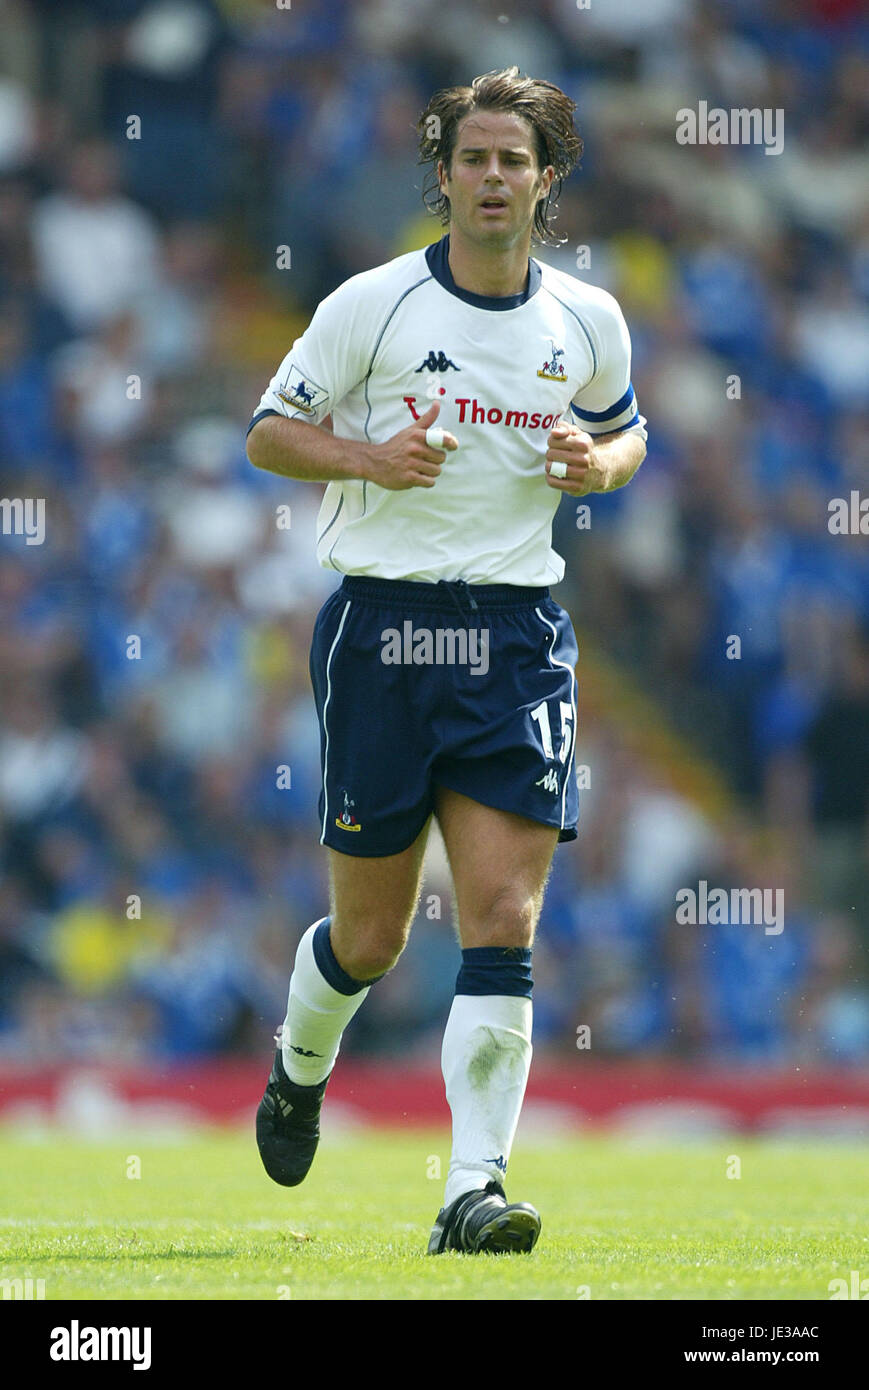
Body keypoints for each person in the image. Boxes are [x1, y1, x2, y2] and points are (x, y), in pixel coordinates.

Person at [245, 67, 647, 1254]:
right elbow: (268, 432)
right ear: (444, 172)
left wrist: (597, 464)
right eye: (470, 157)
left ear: (545, 177)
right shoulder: (370, 305)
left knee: (504, 915)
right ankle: (297, 1063)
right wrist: (366, 462)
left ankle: (470, 1188)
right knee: (369, 939)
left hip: (514, 638)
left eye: (511, 160)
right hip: (382, 629)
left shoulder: (587, 319)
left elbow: (626, 432)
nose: (488, 177)